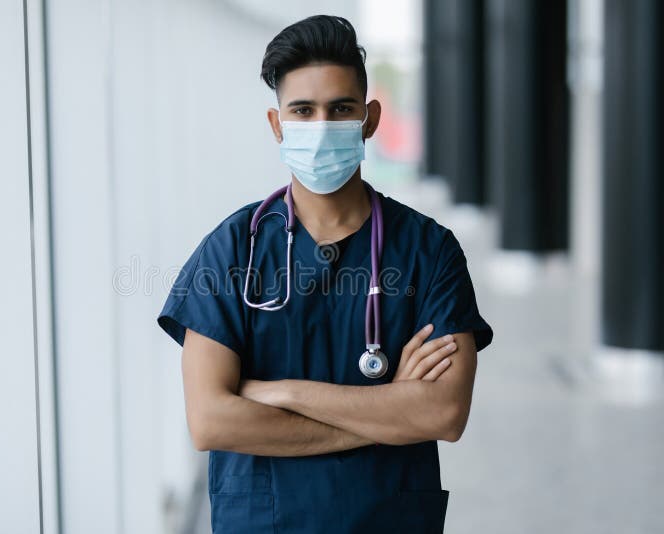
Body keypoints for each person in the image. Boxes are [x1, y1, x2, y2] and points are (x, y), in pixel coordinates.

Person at [156, 14, 494, 534]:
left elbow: (444, 413)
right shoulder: (232, 250)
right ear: (277, 125)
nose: (320, 127)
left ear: (369, 119)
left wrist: (286, 392)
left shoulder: (429, 252)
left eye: (340, 109)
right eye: (303, 111)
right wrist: (386, 413)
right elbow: (209, 420)